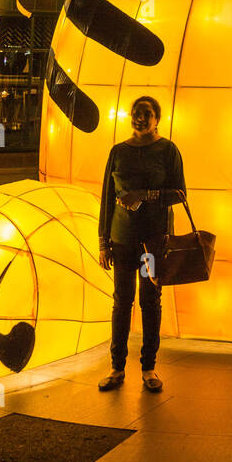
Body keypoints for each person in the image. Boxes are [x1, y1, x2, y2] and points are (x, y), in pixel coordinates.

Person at [97, 96, 186, 392]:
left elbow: (180, 194)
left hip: (152, 244)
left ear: (157, 118)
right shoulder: (118, 152)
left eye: (146, 113)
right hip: (123, 241)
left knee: (149, 301)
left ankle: (149, 367)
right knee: (122, 302)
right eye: (136, 113)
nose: (139, 118)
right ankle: (116, 367)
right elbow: (108, 197)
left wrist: (145, 195)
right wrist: (103, 242)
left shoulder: (167, 150)